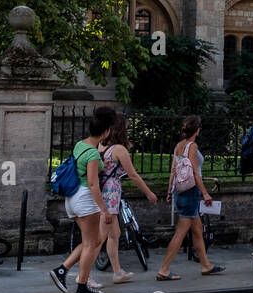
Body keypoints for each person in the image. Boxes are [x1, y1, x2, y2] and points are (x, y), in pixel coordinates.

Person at [49, 106, 117, 293]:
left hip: (73, 198)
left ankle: (62, 270)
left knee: (92, 241)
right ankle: (81, 286)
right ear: (106, 131)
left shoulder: (80, 145)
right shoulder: (94, 154)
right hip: (86, 197)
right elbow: (94, 184)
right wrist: (105, 210)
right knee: (90, 244)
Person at [155, 116, 226, 280]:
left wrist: (168, 192)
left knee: (198, 230)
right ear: (197, 129)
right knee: (180, 233)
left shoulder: (179, 146)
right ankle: (164, 269)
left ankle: (206, 265)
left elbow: (173, 170)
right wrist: (205, 193)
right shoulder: (192, 146)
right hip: (191, 192)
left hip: (180, 192)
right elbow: (195, 173)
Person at [97, 115, 158, 282]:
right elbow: (132, 174)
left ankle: (117, 272)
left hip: (101, 191)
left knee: (114, 233)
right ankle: (82, 275)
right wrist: (148, 192)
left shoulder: (101, 146)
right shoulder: (119, 150)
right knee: (101, 237)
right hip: (110, 194)